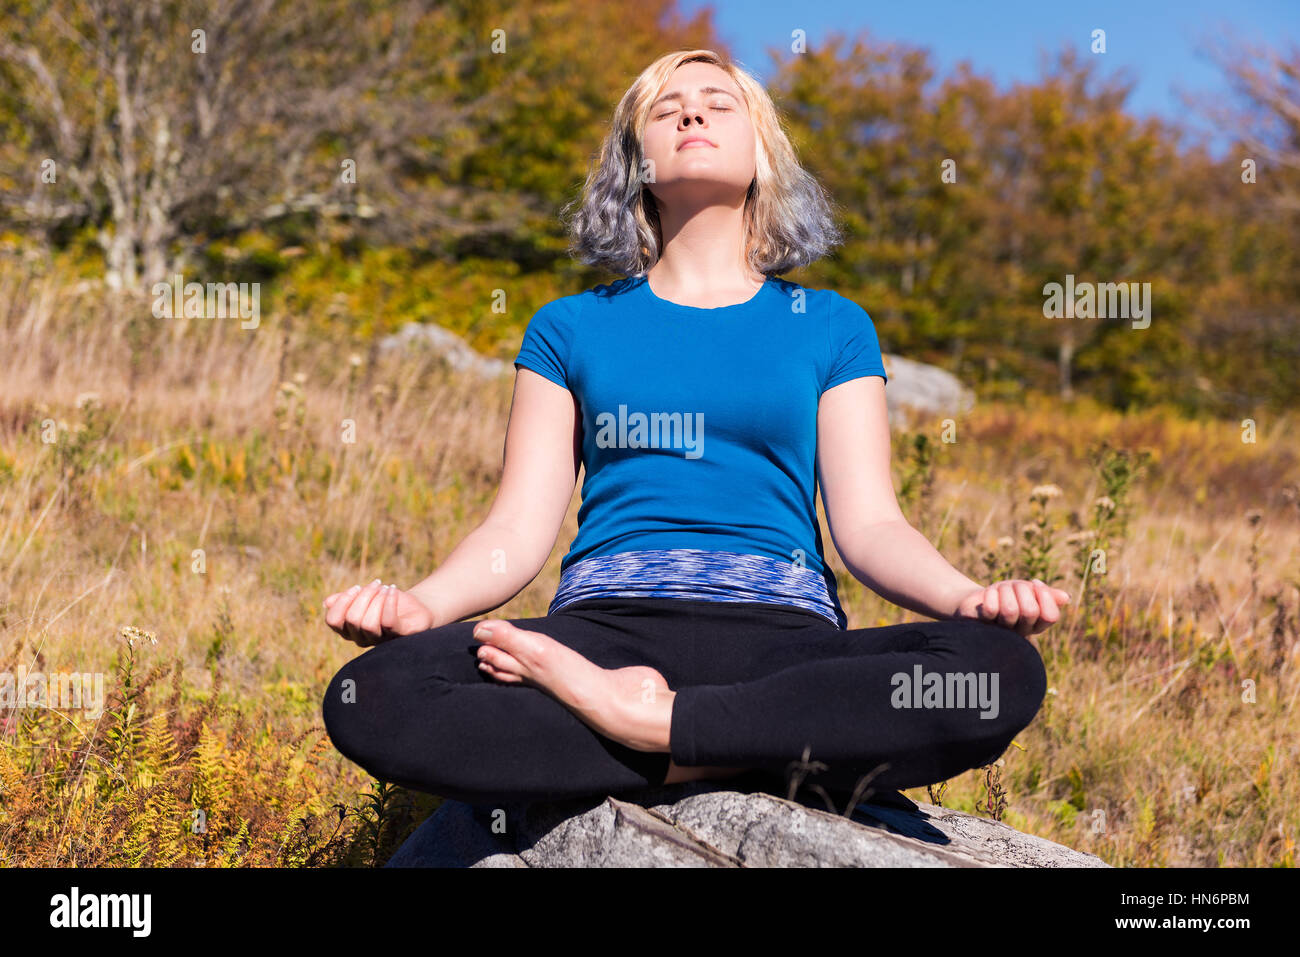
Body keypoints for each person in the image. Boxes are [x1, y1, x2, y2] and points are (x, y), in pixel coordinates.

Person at [320, 49, 1068, 809]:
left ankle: (647, 727)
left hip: (786, 640)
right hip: (604, 631)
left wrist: (967, 598)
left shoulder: (832, 326)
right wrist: (425, 605)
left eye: (719, 101)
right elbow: (515, 525)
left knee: (994, 671)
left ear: (762, 151)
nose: (692, 112)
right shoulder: (570, 327)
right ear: (634, 159)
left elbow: (872, 524)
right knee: (375, 690)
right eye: (665, 106)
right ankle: (754, 748)